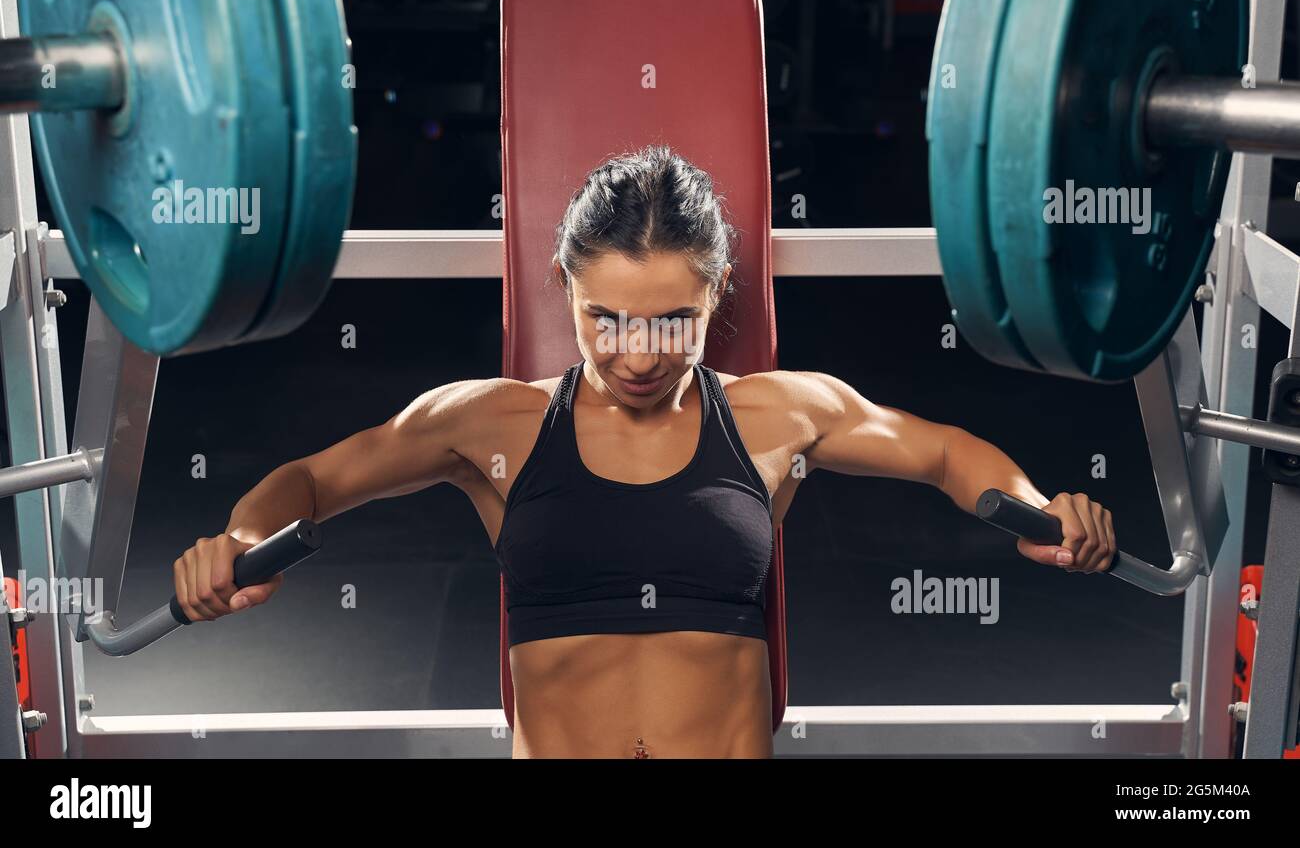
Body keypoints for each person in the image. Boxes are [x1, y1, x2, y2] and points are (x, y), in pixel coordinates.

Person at [173, 145, 1116, 758]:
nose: (636, 354)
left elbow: (947, 453)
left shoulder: (777, 418)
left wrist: (1042, 512)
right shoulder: (492, 426)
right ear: (564, 289)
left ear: (717, 299)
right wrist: (239, 543)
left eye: (674, 321)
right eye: (604, 320)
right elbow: (313, 479)